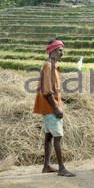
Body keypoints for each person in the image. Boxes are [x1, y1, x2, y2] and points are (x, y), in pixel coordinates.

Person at [33, 40, 75, 177]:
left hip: (48, 107)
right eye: (59, 50)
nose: (62, 53)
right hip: (50, 107)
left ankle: (47, 165)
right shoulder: (49, 66)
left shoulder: (53, 66)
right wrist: (56, 107)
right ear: (52, 51)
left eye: (62, 50)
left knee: (49, 136)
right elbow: (47, 90)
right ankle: (62, 168)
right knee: (57, 136)